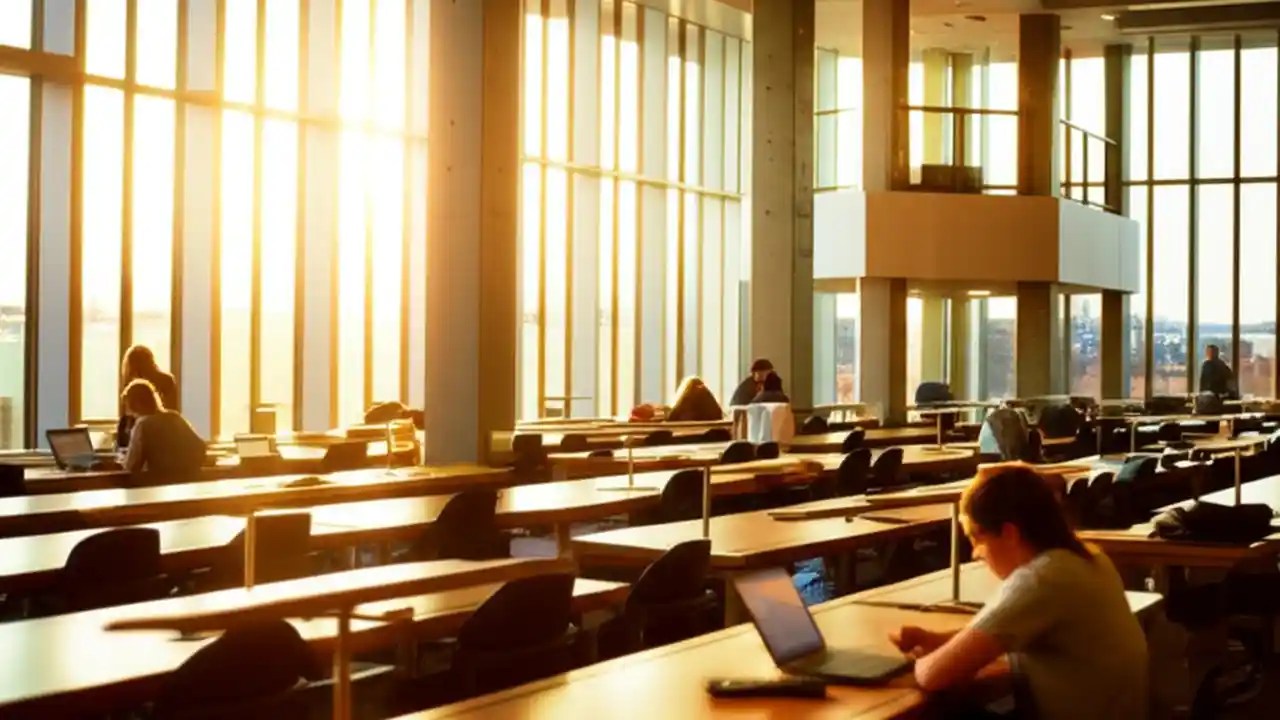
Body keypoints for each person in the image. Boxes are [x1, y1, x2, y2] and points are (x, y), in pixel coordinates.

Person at [890, 464, 1148, 720]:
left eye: (976, 538)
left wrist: (915, 660)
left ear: (1009, 533)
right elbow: (1001, 635)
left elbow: (932, 676)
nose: (974, 553)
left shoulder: (1039, 580)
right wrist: (936, 640)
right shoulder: (1086, 558)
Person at [121, 379, 207, 480]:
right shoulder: (174, 418)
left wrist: (121, 461)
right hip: (186, 483)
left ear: (135, 404)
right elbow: (200, 447)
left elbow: (131, 466)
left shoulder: (143, 425)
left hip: (158, 485)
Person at [118, 345, 179, 449]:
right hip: (165, 440)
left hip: (152, 440)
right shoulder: (166, 381)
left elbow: (125, 421)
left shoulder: (133, 386)